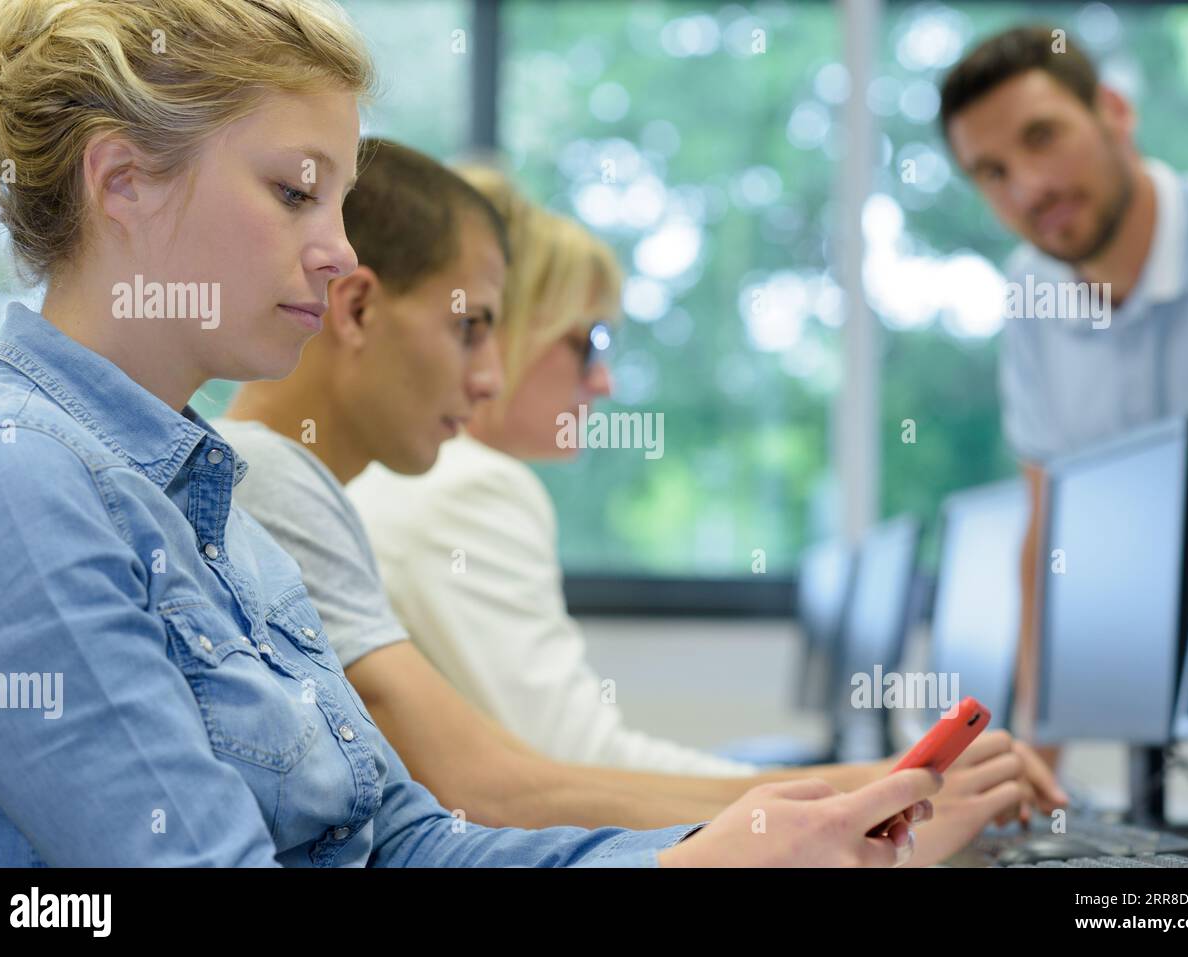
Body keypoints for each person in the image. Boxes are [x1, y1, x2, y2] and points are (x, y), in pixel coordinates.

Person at [0, 0, 943, 867]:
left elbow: (415, 842)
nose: (339, 250)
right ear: (123, 182)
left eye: (339, 204)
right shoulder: (12, 478)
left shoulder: (222, 512)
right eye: (296, 193)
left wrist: (706, 853)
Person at [223, 139, 1053, 865]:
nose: (487, 377)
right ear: (357, 306)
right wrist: (860, 795)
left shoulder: (300, 485)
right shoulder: (286, 476)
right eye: (474, 326)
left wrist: (843, 801)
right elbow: (506, 791)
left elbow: (447, 819)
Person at [939, 25, 1188, 791]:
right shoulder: (1032, 293)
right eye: (992, 171)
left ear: (1114, 111)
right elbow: (1049, 533)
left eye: (1042, 137)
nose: (1027, 188)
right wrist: (1026, 775)